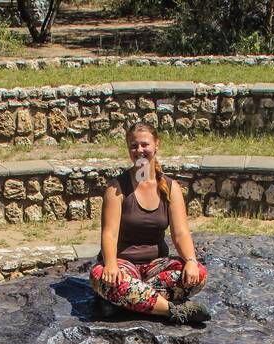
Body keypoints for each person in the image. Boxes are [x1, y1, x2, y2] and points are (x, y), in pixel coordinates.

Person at [89, 122, 212, 326]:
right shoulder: (116, 188)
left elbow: (180, 233)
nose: (139, 151)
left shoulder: (171, 188)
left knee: (198, 275)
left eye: (144, 145)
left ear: (156, 145)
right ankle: (172, 310)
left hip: (155, 268)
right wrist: (110, 264)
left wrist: (190, 260)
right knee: (101, 276)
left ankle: (128, 301)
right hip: (123, 266)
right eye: (133, 146)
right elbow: (109, 234)